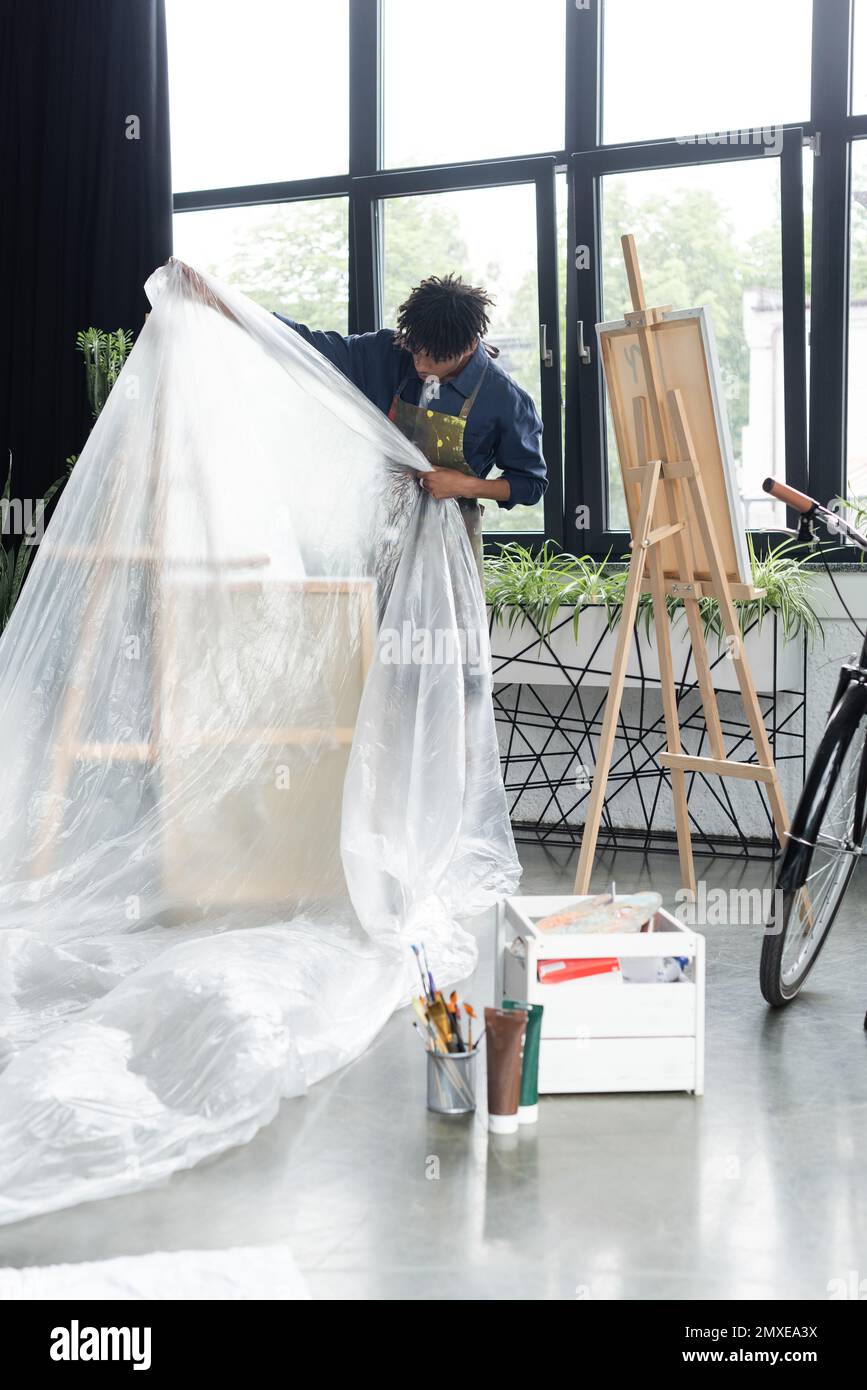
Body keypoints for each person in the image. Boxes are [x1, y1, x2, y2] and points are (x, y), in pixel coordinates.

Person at [275, 274, 547, 581]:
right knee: (372, 626)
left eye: (434, 358)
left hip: (449, 547)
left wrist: (463, 485)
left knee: (440, 629)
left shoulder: (505, 399)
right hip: (379, 534)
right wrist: (223, 302)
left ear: (469, 346)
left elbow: (531, 485)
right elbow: (304, 342)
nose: (420, 365)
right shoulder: (387, 352)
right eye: (416, 351)